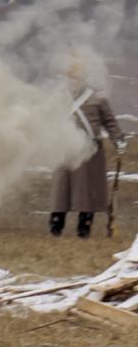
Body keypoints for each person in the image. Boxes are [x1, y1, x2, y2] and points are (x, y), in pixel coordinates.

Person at [52, 59, 125, 237]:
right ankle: (56, 226)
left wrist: (119, 141)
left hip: (90, 150)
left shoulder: (97, 98)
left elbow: (109, 122)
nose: (74, 80)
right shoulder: (60, 96)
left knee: (87, 193)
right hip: (66, 147)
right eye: (72, 76)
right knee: (61, 192)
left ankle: (84, 228)